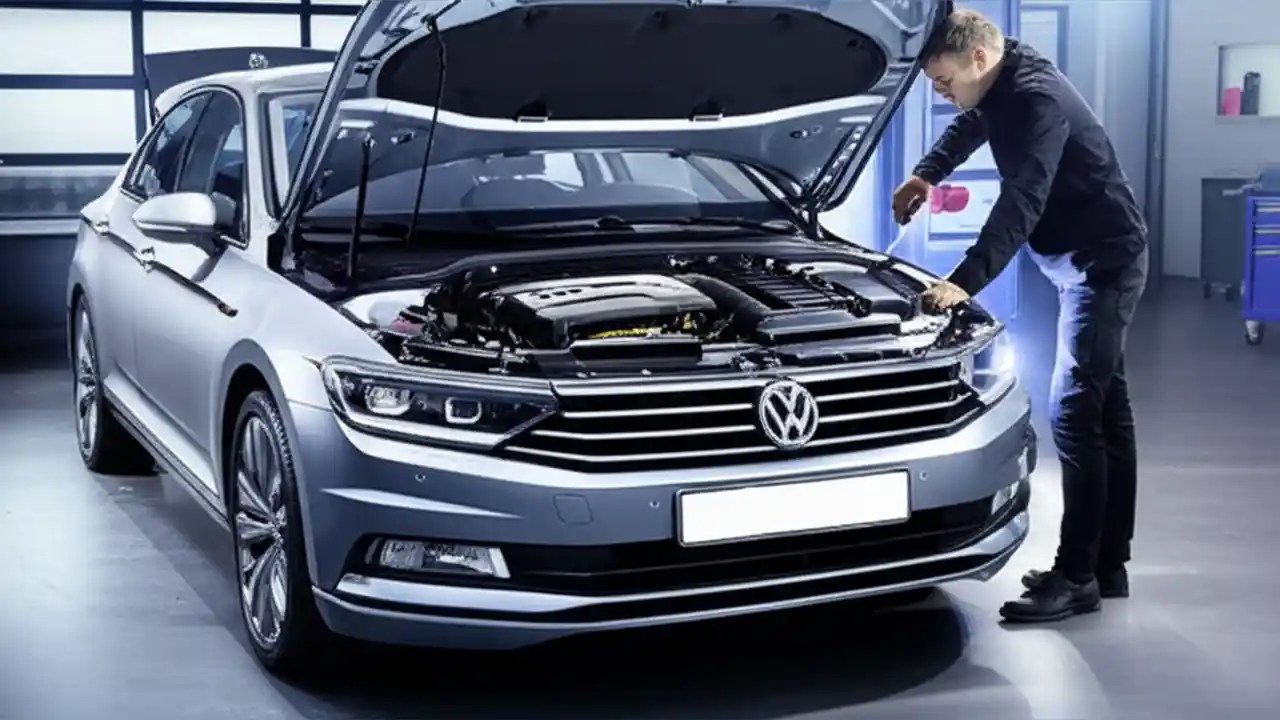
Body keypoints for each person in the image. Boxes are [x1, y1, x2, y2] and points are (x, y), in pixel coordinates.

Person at [892, 8, 1149, 623]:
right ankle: (1108, 564)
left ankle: (1076, 575)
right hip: (1079, 256)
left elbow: (1023, 199)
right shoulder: (1001, 77)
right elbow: (972, 120)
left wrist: (964, 282)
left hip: (1102, 262)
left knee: (1075, 414)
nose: (940, 91)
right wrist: (925, 174)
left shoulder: (1037, 100)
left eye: (943, 79)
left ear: (978, 58)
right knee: (1108, 409)